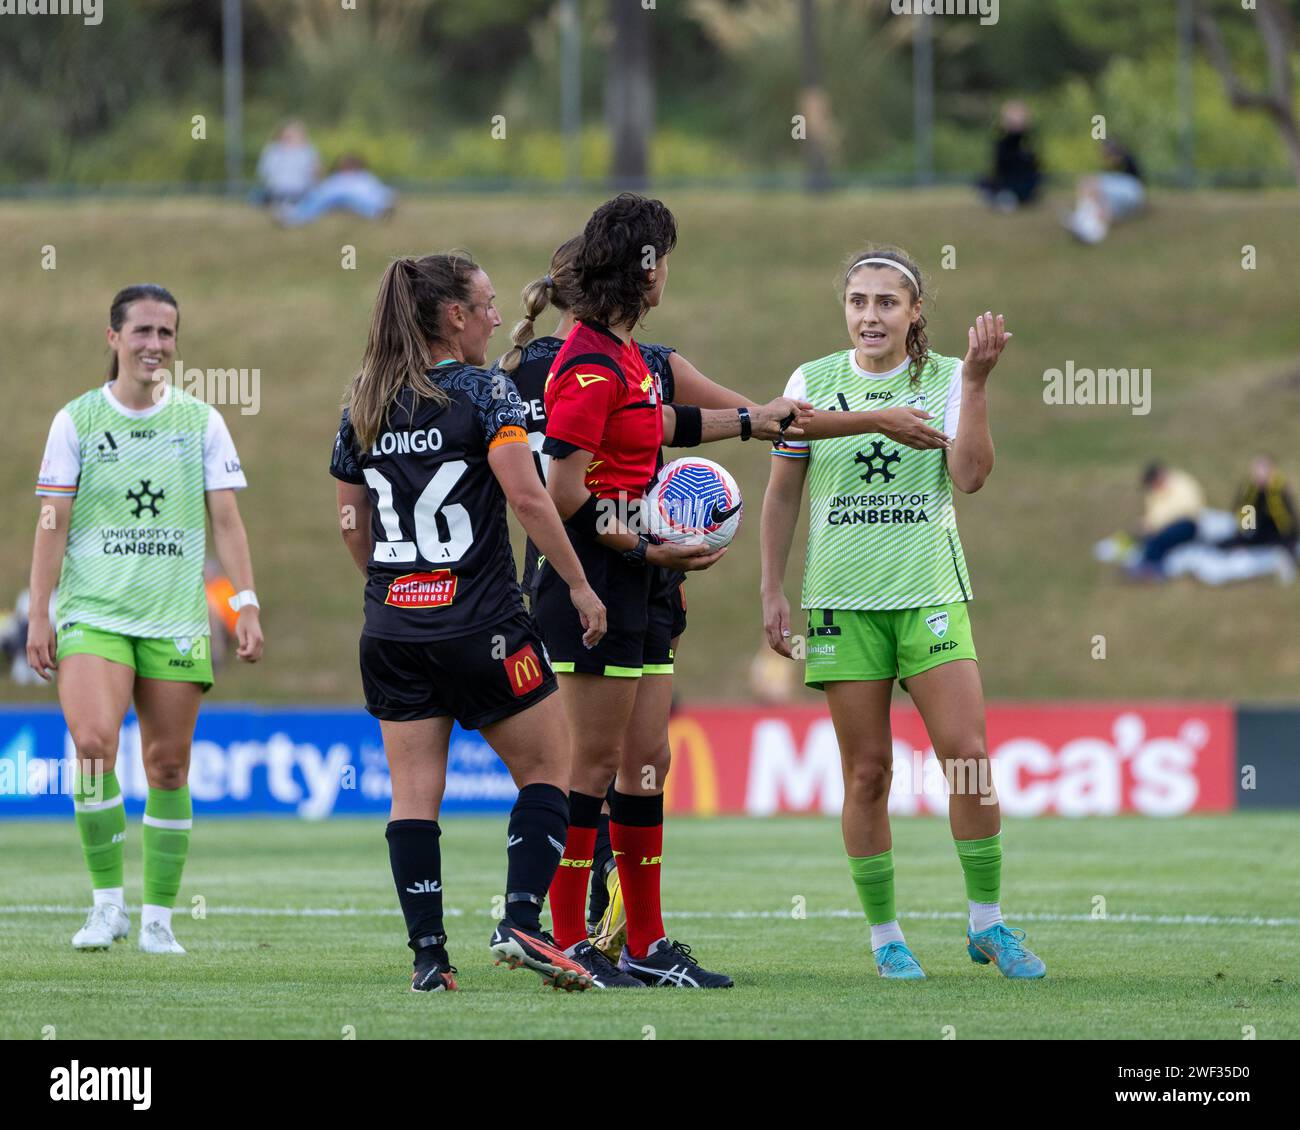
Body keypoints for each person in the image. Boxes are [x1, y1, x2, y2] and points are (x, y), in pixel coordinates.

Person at [496, 231, 814, 973]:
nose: (667, 271)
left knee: (647, 760)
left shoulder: (633, 357)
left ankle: (645, 945)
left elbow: (663, 424)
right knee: (593, 763)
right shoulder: (582, 363)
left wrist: (747, 422)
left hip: (642, 580)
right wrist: (646, 546)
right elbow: (565, 491)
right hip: (596, 582)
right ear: (637, 273)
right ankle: (569, 939)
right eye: (662, 258)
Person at [760, 246, 1047, 981]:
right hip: (841, 602)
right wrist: (771, 584)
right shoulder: (811, 380)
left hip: (929, 595)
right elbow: (783, 486)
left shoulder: (947, 376)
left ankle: (988, 924)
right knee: (867, 775)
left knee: (971, 759)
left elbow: (972, 477)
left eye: (887, 302)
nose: (870, 316)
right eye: (858, 301)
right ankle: (886, 937)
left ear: (914, 311)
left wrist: (977, 382)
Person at [330, 251, 608, 993]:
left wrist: (393, 588)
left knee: (413, 793)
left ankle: (429, 958)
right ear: (454, 317)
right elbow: (528, 498)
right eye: (486, 304)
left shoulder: (363, 400)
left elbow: (350, 519)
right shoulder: (484, 392)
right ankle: (521, 918)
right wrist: (578, 586)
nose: (495, 316)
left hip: (391, 630)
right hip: (483, 625)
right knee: (550, 770)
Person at [27, 283, 264, 955]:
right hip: (93, 613)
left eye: (166, 333)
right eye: (142, 332)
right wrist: (40, 612)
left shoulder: (201, 422)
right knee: (95, 743)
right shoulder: (74, 421)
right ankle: (107, 908)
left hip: (175, 616)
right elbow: (52, 522)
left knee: (166, 766)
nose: (155, 345)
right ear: (114, 339)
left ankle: (158, 919)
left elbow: (227, 522)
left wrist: (244, 603)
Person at [1130, 462, 1205, 579]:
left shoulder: (1181, 484)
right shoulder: (1153, 493)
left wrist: (1157, 524)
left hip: (1186, 524)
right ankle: (1146, 566)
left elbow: (1187, 509)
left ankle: (1154, 569)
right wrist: (1146, 523)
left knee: (1160, 537)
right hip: (1160, 527)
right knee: (1147, 537)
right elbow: (1152, 513)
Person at [276, 155, 395, 227]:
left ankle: (378, 212)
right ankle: (295, 216)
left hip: (355, 200)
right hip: (334, 199)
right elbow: (320, 193)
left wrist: (385, 201)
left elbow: (379, 192)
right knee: (320, 200)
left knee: (358, 200)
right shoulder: (336, 178)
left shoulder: (365, 178)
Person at [1065, 139, 1145, 245]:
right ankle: (1090, 229)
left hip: (1131, 189)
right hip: (1133, 196)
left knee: (1088, 182)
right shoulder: (1117, 169)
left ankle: (1081, 217)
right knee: (1101, 205)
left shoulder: (1123, 163)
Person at [977, 101, 1042, 211]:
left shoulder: (1028, 142)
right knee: (984, 182)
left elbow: (1034, 167)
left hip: (1023, 185)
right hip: (1007, 182)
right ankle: (1004, 196)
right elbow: (999, 167)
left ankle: (1008, 197)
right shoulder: (1003, 143)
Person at [253, 119, 321, 206]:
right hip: (276, 190)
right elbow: (264, 173)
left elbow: (316, 174)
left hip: (300, 191)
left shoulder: (309, 151)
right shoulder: (273, 150)